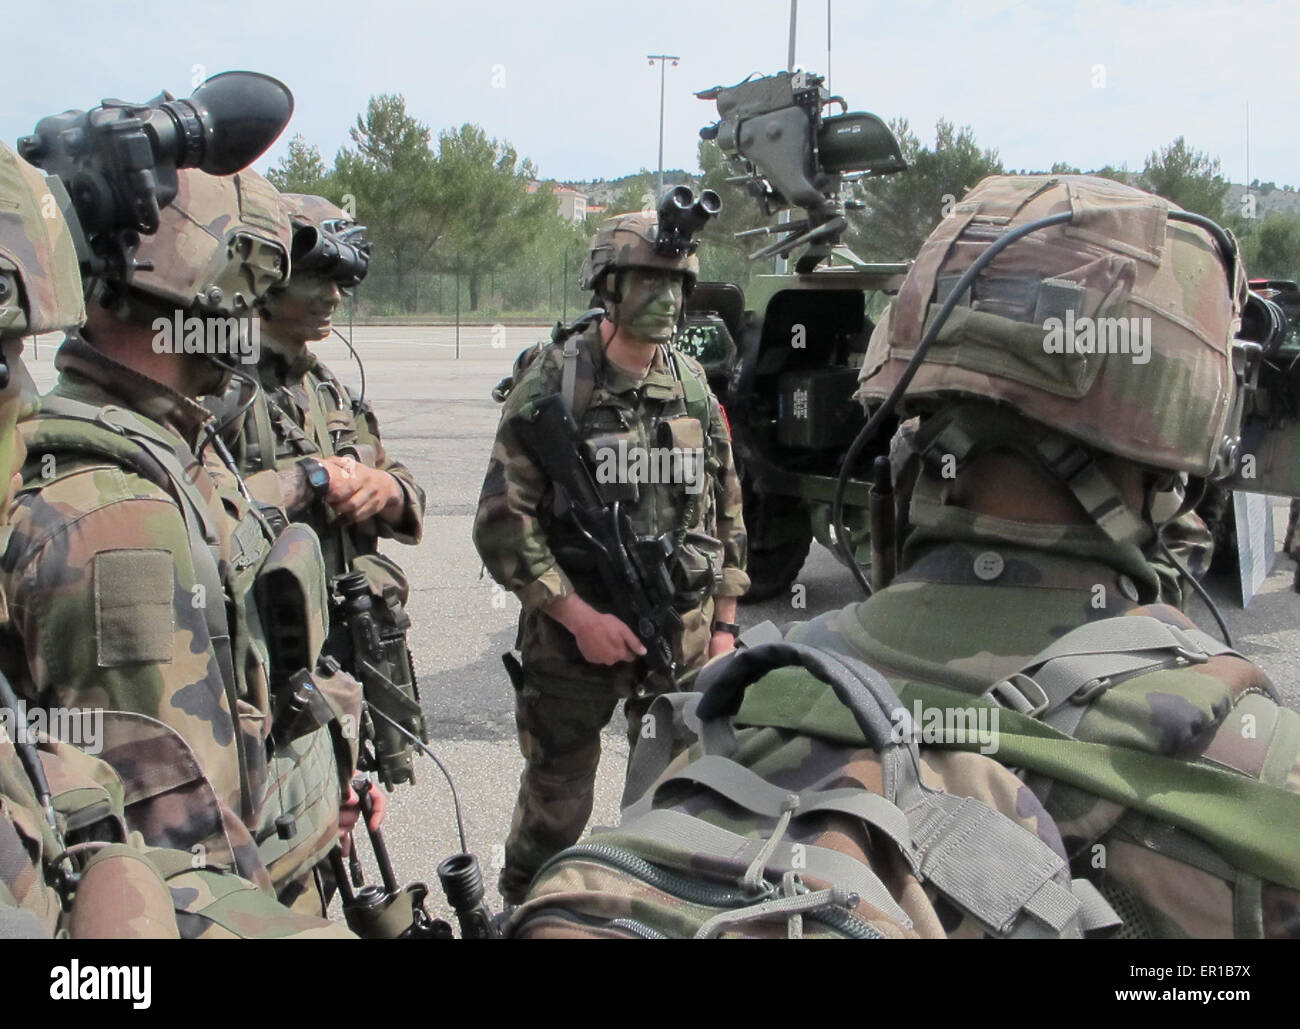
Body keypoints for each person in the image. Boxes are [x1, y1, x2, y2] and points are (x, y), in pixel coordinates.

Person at [0, 140, 350, 940]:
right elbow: (179, 837)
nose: (258, 318)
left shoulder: (174, 445)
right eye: (252, 291)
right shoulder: (123, 526)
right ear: (207, 297)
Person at [474, 207, 749, 905]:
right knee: (556, 799)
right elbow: (503, 521)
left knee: (672, 801)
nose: (664, 299)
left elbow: (726, 506)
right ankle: (529, 912)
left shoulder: (691, 383)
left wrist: (724, 628)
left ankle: (649, 913)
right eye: (646, 282)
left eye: (677, 284)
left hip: (679, 636)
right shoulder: (556, 383)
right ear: (607, 286)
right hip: (572, 644)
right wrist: (576, 616)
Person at [208, 193, 426, 790]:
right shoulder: (218, 385)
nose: (334, 297)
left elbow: (407, 488)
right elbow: (195, 508)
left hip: (341, 652)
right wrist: (304, 482)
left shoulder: (325, 389)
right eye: (317, 279)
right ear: (268, 282)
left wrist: (380, 488)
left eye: (341, 282)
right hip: (262, 663)